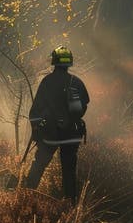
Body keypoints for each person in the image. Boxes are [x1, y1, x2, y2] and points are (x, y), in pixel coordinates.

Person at [25, 46, 89, 204]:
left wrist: (36, 129)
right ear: (69, 63)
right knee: (69, 171)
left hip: (50, 135)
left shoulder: (47, 81)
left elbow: (35, 110)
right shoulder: (77, 82)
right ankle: (70, 204)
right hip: (72, 135)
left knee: (39, 165)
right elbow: (84, 106)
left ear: (54, 61)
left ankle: (25, 198)